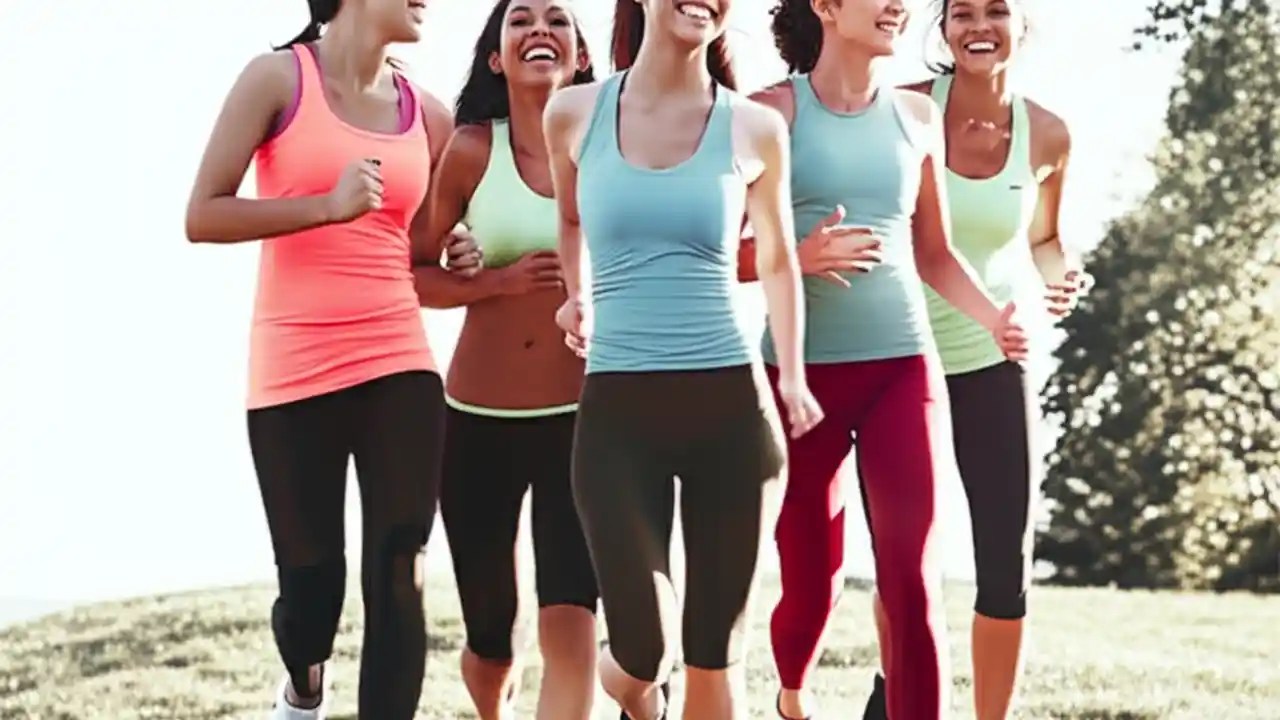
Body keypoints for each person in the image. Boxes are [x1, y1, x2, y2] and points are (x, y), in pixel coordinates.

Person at [733, 1, 1030, 718]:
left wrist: (994, 318)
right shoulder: (769, 114)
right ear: (828, 8)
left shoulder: (917, 118)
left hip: (903, 369)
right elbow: (715, 249)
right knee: (811, 582)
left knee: (911, 578)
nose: (898, 6)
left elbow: (935, 253)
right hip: (798, 379)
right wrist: (796, 257)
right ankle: (792, 695)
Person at [540, 1, 823, 717]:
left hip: (731, 413)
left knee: (713, 655)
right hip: (618, 417)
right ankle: (642, 699)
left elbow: (779, 258)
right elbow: (570, 217)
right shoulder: (572, 114)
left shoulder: (756, 127)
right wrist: (578, 295)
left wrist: (792, 374)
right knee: (645, 651)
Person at [183, 0, 453, 717]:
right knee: (311, 593)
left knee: (400, 567)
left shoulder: (430, 116)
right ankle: (304, 688)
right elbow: (203, 213)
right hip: (293, 370)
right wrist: (325, 207)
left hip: (399, 359)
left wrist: (457, 250)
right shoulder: (277, 79)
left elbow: (423, 247)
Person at [857, 1, 1088, 719]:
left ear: (1022, 26)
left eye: (997, 11)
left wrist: (1062, 273)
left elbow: (1044, 238)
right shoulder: (898, 110)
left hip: (992, 359)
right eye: (962, 13)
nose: (979, 26)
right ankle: (896, 700)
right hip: (897, 361)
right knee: (903, 563)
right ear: (944, 28)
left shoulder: (1047, 134)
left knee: (1003, 563)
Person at [410, 1, 600, 719]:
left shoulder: (611, 149)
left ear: (582, 55)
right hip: (476, 424)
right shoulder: (469, 151)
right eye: (520, 20)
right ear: (496, 57)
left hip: (581, 419)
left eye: (558, 19)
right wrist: (495, 282)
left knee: (571, 614)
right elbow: (415, 274)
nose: (540, 30)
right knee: (492, 639)